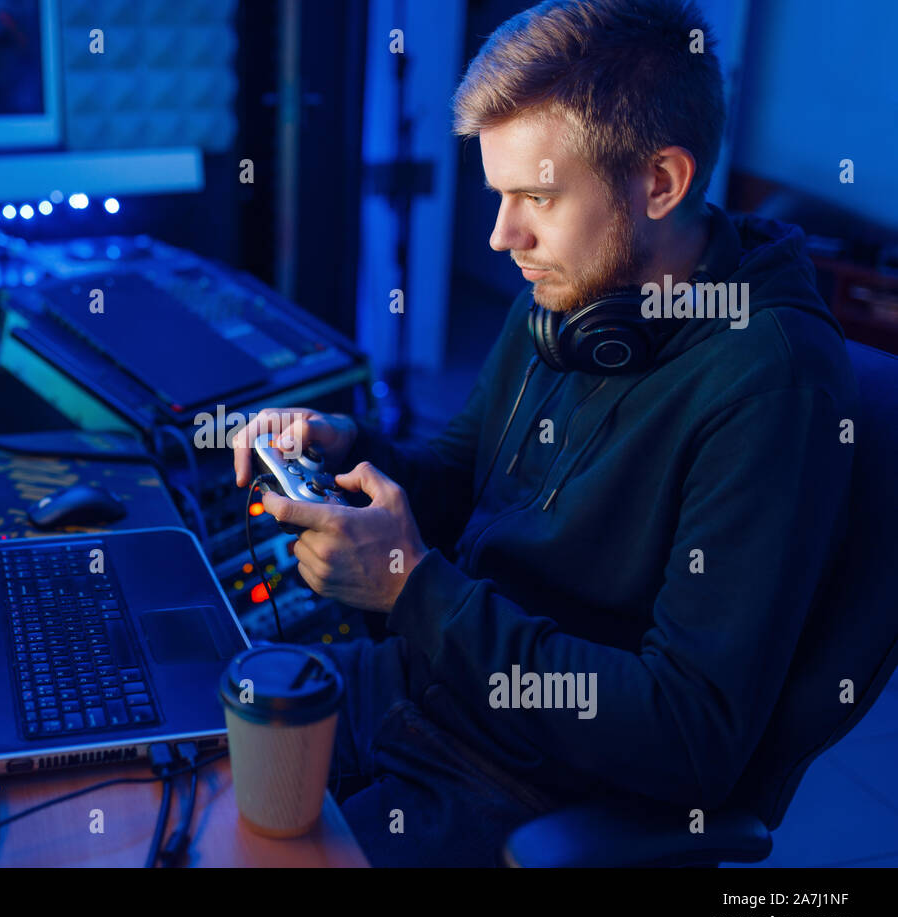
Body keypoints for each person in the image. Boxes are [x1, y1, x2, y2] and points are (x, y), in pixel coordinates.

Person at [231, 0, 857, 867]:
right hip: (419, 687)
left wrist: (412, 587)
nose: (502, 236)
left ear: (662, 183)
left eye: (538, 196)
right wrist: (349, 448)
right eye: (499, 194)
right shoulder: (568, 295)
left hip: (533, 786)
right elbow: (458, 475)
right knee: (177, 764)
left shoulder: (771, 382)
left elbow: (689, 730)